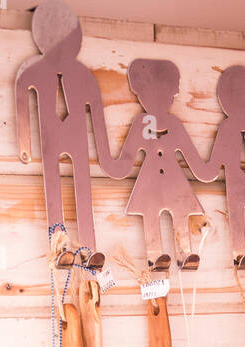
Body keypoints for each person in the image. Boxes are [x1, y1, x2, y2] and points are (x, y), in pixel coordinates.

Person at [15, 0, 116, 265]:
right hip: (51, 138)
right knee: (55, 189)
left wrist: (105, 156)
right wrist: (25, 146)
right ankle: (60, 248)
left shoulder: (84, 76)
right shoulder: (33, 71)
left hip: (75, 137)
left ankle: (88, 246)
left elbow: (97, 115)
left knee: (82, 188)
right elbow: (22, 102)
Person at [109, 58, 211, 270]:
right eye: (149, 95)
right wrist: (110, 163)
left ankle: (186, 254)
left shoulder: (174, 124)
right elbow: (126, 161)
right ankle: (155, 255)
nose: (159, 101)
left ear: (173, 94)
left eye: (166, 94)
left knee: (181, 214)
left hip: (175, 183)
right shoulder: (141, 124)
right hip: (151, 181)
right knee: (151, 215)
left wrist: (211, 168)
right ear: (140, 95)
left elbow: (193, 159)